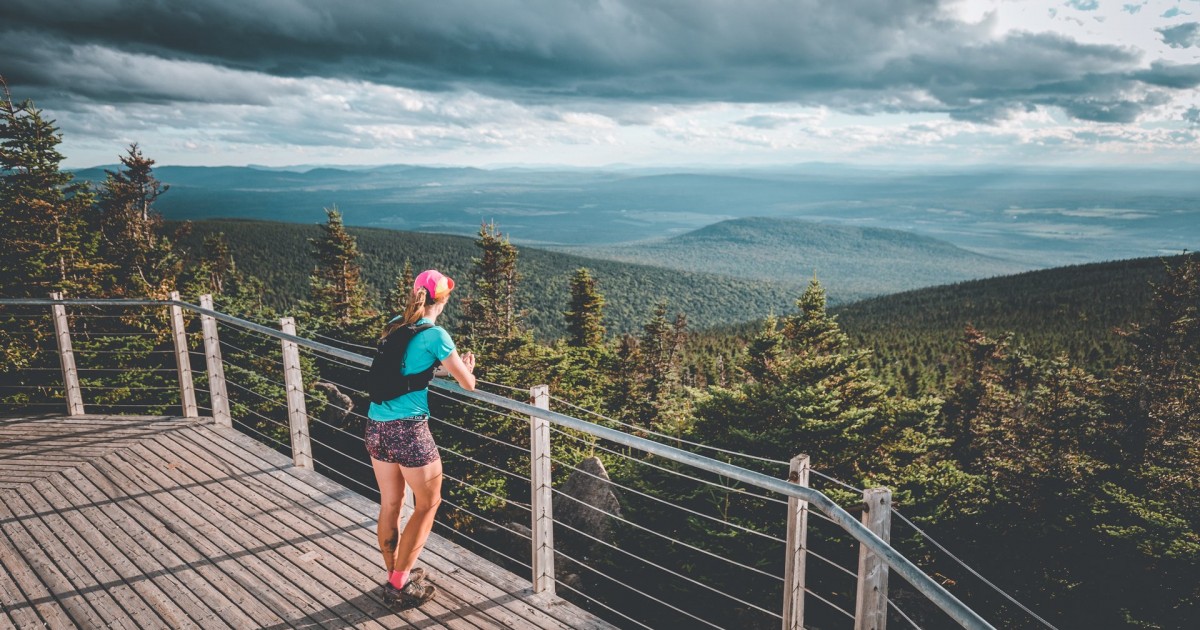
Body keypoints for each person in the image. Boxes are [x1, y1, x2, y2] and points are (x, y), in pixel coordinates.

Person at [365, 268, 476, 608]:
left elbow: (407, 370)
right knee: (428, 503)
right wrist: (465, 368)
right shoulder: (437, 335)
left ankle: (394, 575)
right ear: (441, 302)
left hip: (375, 425)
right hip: (409, 431)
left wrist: (437, 370)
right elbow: (467, 384)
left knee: (391, 504)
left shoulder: (397, 322)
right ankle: (400, 582)